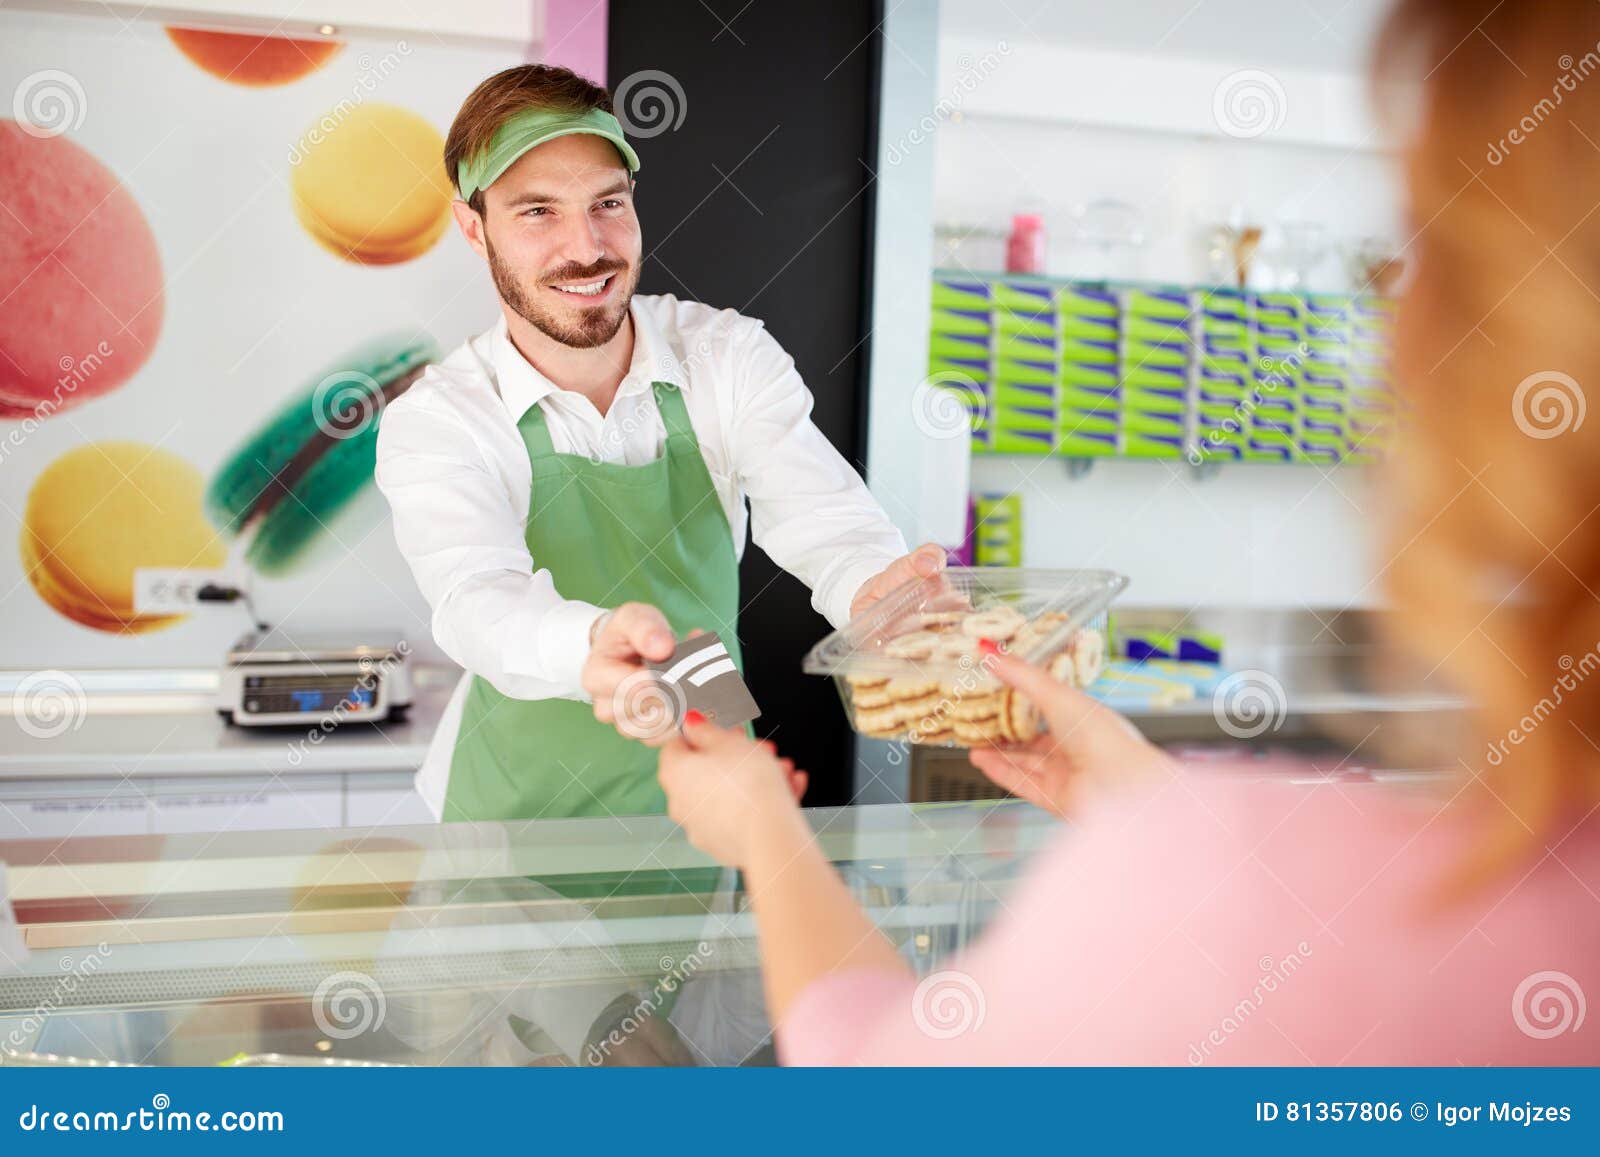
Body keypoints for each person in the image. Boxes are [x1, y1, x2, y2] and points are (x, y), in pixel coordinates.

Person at [656, 0, 1600, 1064]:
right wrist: (1153, 801)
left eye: (1425, 244)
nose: (1397, 309)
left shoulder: (1231, 888)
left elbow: (890, 1099)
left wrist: (765, 832)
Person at [375, 64, 939, 822]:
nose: (587, 247)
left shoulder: (726, 357)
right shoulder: (443, 417)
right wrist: (595, 641)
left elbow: (828, 524)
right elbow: (477, 598)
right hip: (513, 812)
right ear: (474, 229)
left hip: (713, 776)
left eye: (608, 203)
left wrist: (872, 589)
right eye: (538, 211)